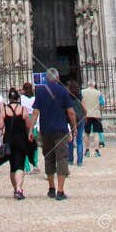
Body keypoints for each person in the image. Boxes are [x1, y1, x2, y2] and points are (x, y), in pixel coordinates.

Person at [31, 66, 77, 200]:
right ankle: (60, 191)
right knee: (62, 159)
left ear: (46, 78)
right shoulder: (63, 91)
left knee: (49, 158)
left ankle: (51, 188)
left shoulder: (40, 91)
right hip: (60, 129)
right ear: (57, 78)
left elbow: (35, 112)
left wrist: (31, 129)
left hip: (46, 130)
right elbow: (71, 112)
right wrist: (74, 127)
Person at [0, 87, 34, 199]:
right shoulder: (23, 109)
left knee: (13, 166)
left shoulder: (4, 109)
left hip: (8, 139)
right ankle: (19, 189)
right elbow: (28, 125)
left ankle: (15, 188)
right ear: (18, 98)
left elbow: (0, 125)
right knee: (20, 165)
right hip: (20, 139)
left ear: (9, 98)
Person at [80, 79, 104, 156]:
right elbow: (102, 104)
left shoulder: (82, 92)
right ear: (94, 84)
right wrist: (99, 111)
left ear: (88, 84)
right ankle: (96, 151)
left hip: (86, 114)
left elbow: (81, 103)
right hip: (96, 114)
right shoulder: (99, 93)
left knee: (86, 133)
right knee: (96, 133)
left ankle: (87, 150)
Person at [67, 79, 85, 166]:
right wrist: (85, 115)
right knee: (79, 140)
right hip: (80, 118)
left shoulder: (67, 96)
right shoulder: (80, 96)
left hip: (70, 119)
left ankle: (70, 159)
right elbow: (83, 106)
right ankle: (80, 161)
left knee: (70, 140)